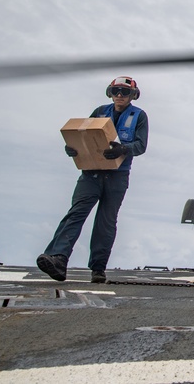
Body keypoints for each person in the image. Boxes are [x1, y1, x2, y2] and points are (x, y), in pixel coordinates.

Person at [36, 76, 149, 284]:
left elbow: (141, 146)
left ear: (133, 95)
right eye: (116, 91)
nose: (119, 96)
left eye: (124, 92)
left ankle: (98, 268)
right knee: (76, 213)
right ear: (110, 93)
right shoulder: (99, 112)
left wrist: (124, 149)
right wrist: (72, 148)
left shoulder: (139, 116)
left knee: (106, 222)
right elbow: (83, 135)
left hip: (118, 176)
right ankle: (58, 259)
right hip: (91, 173)